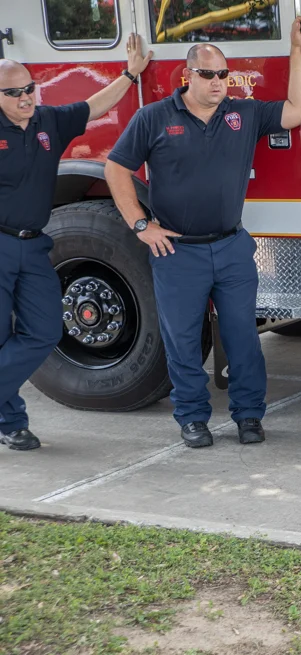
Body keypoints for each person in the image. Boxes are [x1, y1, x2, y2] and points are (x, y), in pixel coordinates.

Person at [104, 21, 301, 448]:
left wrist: (295, 48)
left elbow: (296, 111)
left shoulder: (243, 113)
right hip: (178, 253)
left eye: (223, 74)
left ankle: (249, 416)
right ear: (189, 75)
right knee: (181, 341)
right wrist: (141, 225)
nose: (219, 82)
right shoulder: (154, 117)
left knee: (243, 339)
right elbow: (116, 167)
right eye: (209, 75)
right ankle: (192, 418)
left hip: (232, 247)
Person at [0, 36, 153, 451]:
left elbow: (94, 106)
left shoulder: (48, 121)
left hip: (33, 247)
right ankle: (11, 422)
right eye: (13, 93)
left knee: (45, 331)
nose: (25, 97)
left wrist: (129, 74)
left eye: (29, 88)